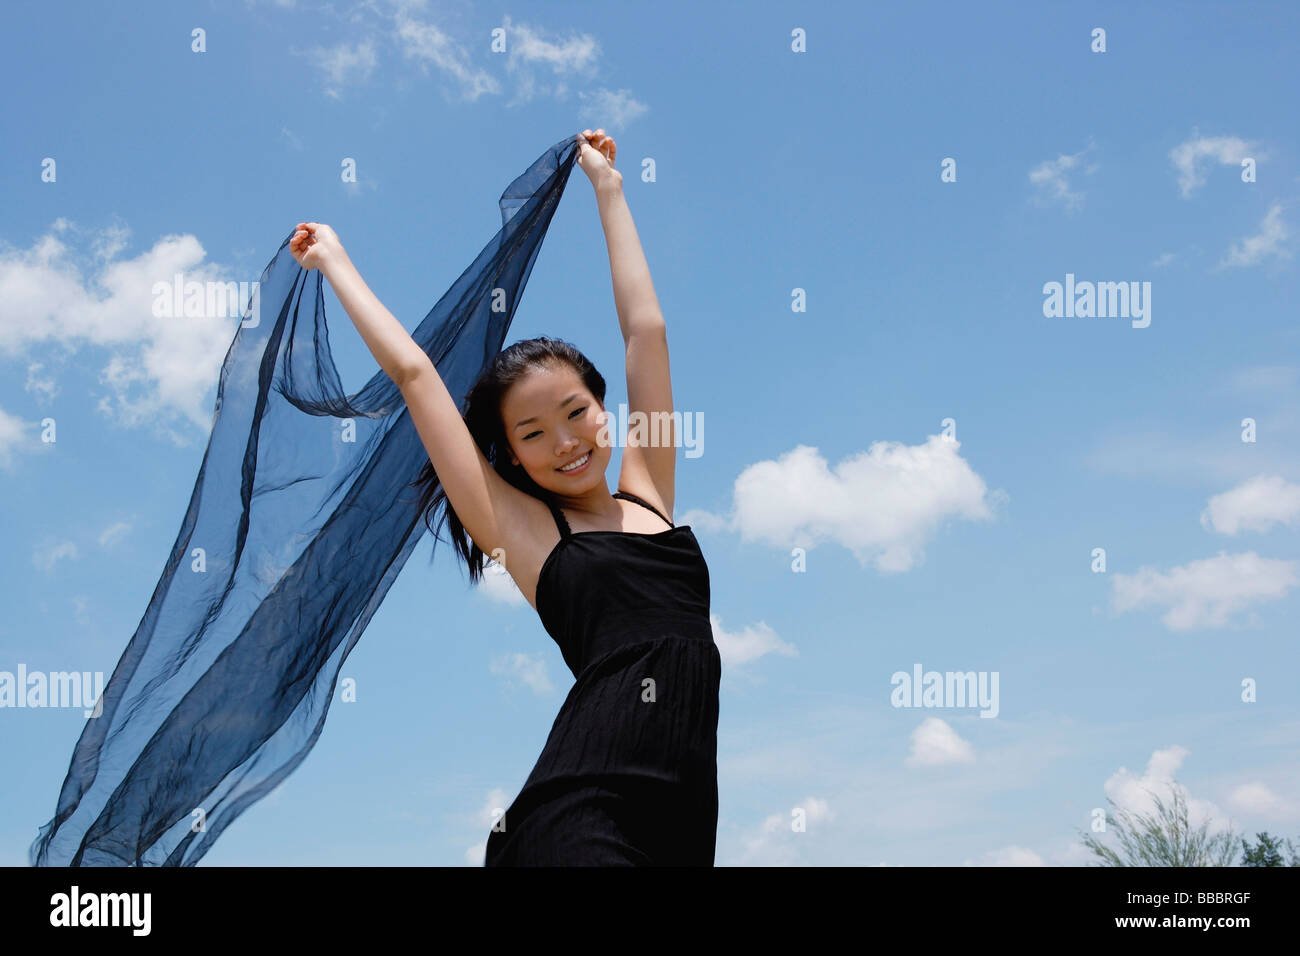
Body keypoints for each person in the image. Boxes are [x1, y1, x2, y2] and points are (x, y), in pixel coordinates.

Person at [289, 129, 721, 866]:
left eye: (576, 413)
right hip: (585, 812)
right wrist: (333, 261)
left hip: (682, 816)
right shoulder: (523, 531)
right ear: (509, 454)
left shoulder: (649, 494)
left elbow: (646, 331)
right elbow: (418, 378)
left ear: (602, 409)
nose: (565, 442)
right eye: (533, 432)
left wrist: (607, 190)